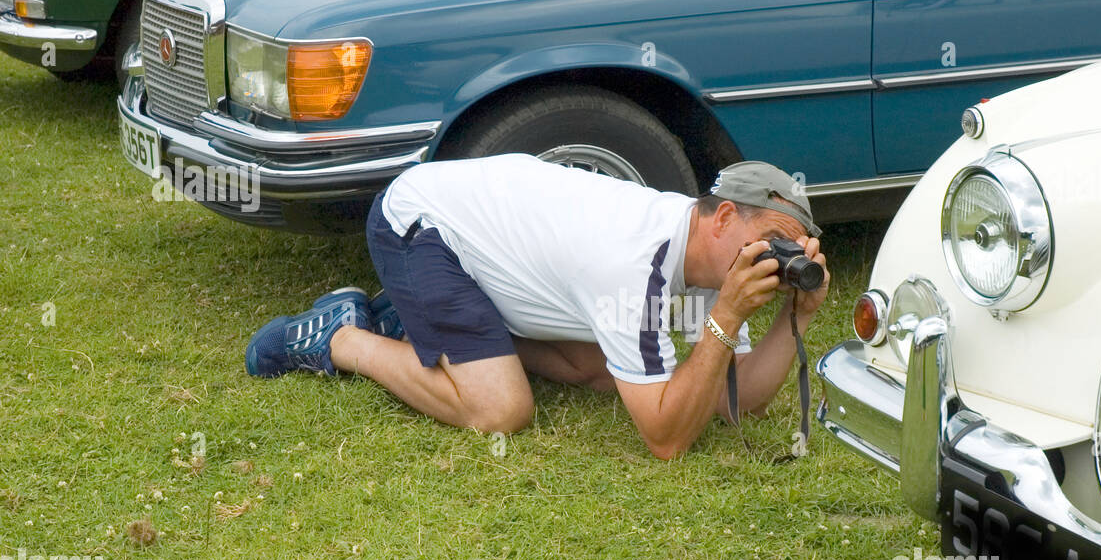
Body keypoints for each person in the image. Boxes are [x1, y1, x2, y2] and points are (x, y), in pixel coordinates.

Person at [245, 156, 829, 460]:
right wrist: (725, 319)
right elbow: (666, 440)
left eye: (788, 252)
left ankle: (415, 324)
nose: (774, 261)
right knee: (501, 409)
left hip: (488, 245)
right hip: (419, 223)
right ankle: (341, 337)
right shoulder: (634, 263)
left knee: (598, 369)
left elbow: (735, 400)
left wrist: (795, 317)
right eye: (772, 241)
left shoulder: (705, 255)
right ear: (723, 217)